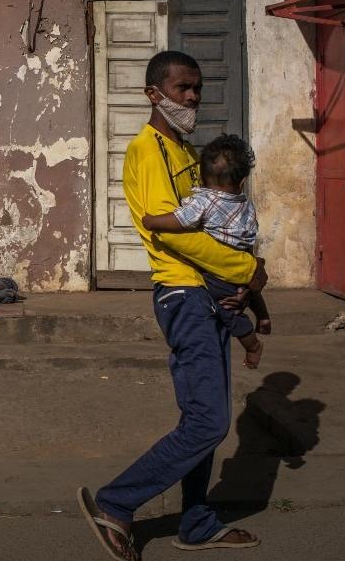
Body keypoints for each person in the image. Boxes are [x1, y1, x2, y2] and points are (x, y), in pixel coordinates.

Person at [76, 51, 268, 561]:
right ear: (153, 94)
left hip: (209, 294)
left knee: (202, 420)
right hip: (184, 294)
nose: (193, 97)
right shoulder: (147, 149)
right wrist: (244, 270)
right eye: (183, 87)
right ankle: (117, 504)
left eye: (197, 88)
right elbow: (176, 234)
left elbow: (213, 223)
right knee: (208, 423)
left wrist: (243, 282)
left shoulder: (184, 150)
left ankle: (197, 522)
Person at [141, 133, 271, 369]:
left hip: (219, 269)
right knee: (249, 287)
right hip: (243, 258)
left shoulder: (204, 201)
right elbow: (249, 238)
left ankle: (252, 344)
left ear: (201, 177)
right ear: (242, 181)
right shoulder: (246, 204)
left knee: (226, 307)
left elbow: (180, 221)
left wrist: (151, 221)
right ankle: (263, 315)